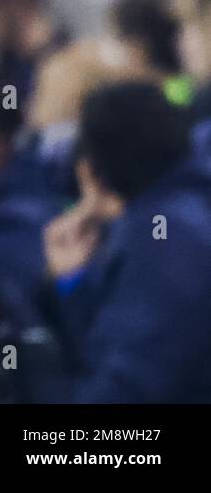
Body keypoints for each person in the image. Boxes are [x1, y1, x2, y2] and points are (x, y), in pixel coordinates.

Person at [39, 82, 211, 402]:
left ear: (93, 166)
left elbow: (130, 383)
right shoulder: (184, 209)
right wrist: (72, 283)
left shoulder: (163, 238)